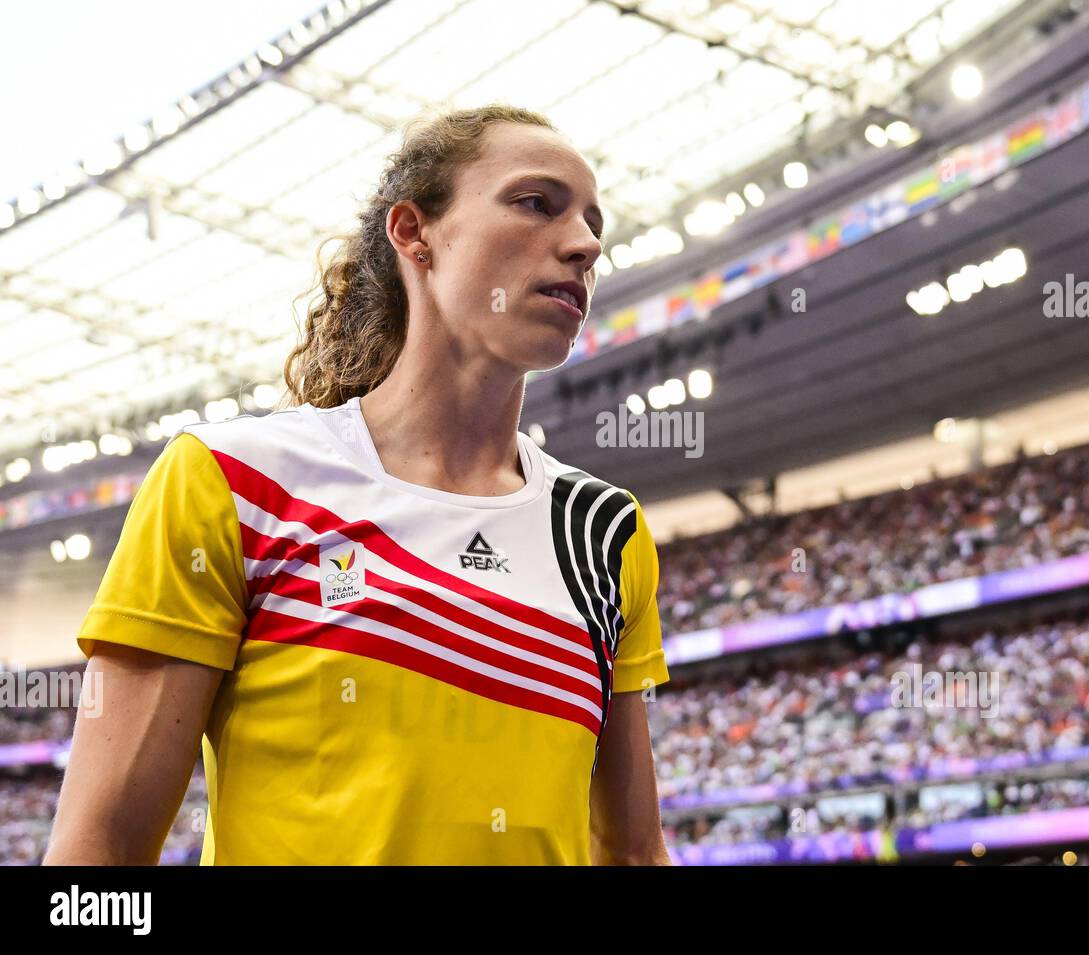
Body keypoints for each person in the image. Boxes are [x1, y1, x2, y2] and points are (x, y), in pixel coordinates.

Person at [44, 104, 671, 865]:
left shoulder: (607, 531)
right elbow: (98, 853)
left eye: (591, 222)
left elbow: (635, 853)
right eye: (536, 203)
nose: (584, 244)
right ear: (414, 233)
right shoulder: (232, 481)